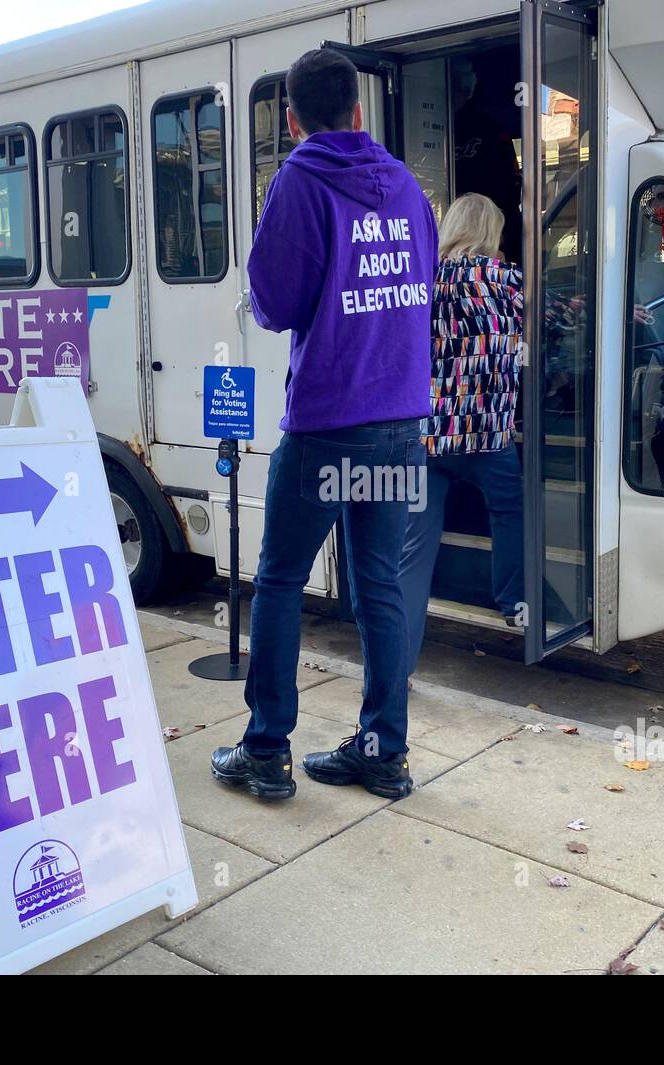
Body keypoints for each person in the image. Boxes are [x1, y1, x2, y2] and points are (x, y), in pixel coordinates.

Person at [210, 48, 438, 802]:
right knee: (380, 585)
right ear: (361, 111)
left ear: (291, 116)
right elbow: (420, 288)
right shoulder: (407, 187)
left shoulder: (298, 181)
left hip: (328, 418)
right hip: (401, 418)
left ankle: (267, 748)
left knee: (278, 576)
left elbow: (273, 304)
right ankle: (383, 750)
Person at [399, 193, 523, 672]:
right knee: (512, 511)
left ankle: (398, 669)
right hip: (490, 438)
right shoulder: (509, 282)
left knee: (413, 554)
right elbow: (564, 320)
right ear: (491, 233)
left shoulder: (421, 281)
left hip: (428, 438)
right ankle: (514, 602)